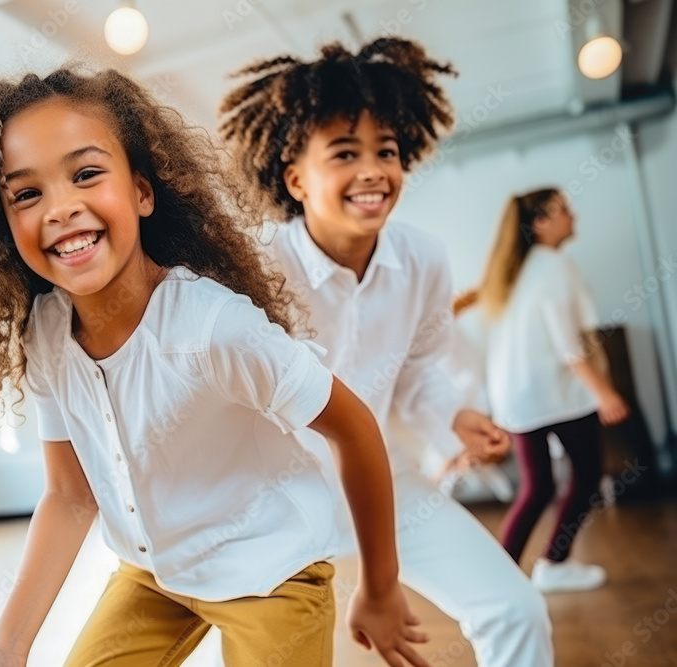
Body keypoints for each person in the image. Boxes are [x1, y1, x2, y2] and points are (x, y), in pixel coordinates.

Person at [0, 67, 430, 667]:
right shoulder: (47, 333)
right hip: (155, 573)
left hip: (269, 569)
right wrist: (6, 647)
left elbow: (354, 428)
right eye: (26, 193)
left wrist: (380, 588)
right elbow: (70, 496)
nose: (62, 208)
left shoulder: (213, 327)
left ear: (143, 192)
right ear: (1, 227)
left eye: (87, 174)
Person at [219, 39, 553, 667]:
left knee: (516, 609)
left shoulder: (423, 258)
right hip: (273, 497)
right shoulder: (256, 271)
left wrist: (454, 417)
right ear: (296, 178)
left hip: (384, 481)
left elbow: (421, 369)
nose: (373, 170)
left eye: (388, 153)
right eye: (345, 154)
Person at [477, 188, 630, 592]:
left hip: (518, 396)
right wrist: (604, 393)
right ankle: (553, 565)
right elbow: (569, 346)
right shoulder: (553, 267)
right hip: (552, 395)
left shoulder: (520, 270)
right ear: (540, 223)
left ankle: (497, 577)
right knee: (586, 474)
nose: (573, 216)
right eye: (564, 210)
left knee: (538, 485)